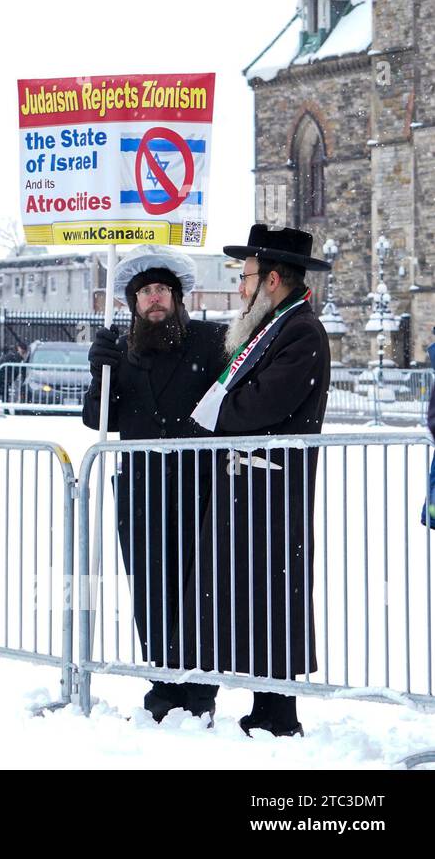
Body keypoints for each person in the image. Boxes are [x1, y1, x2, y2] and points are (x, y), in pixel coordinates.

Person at [182, 224, 333, 738]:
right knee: (244, 594)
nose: (240, 287)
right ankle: (262, 704)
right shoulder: (273, 326)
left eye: (245, 277)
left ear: (272, 280)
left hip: (274, 487)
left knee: (273, 593)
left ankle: (277, 710)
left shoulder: (302, 331)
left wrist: (219, 416)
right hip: (246, 485)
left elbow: (267, 402)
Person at [81, 245, 227, 722]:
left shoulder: (210, 340)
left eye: (162, 289)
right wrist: (99, 372)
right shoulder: (122, 351)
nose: (155, 298)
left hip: (200, 486)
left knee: (199, 591)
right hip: (142, 490)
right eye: (145, 292)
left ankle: (200, 691)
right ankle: (162, 684)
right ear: (133, 303)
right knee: (150, 590)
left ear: (178, 296)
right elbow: (95, 418)